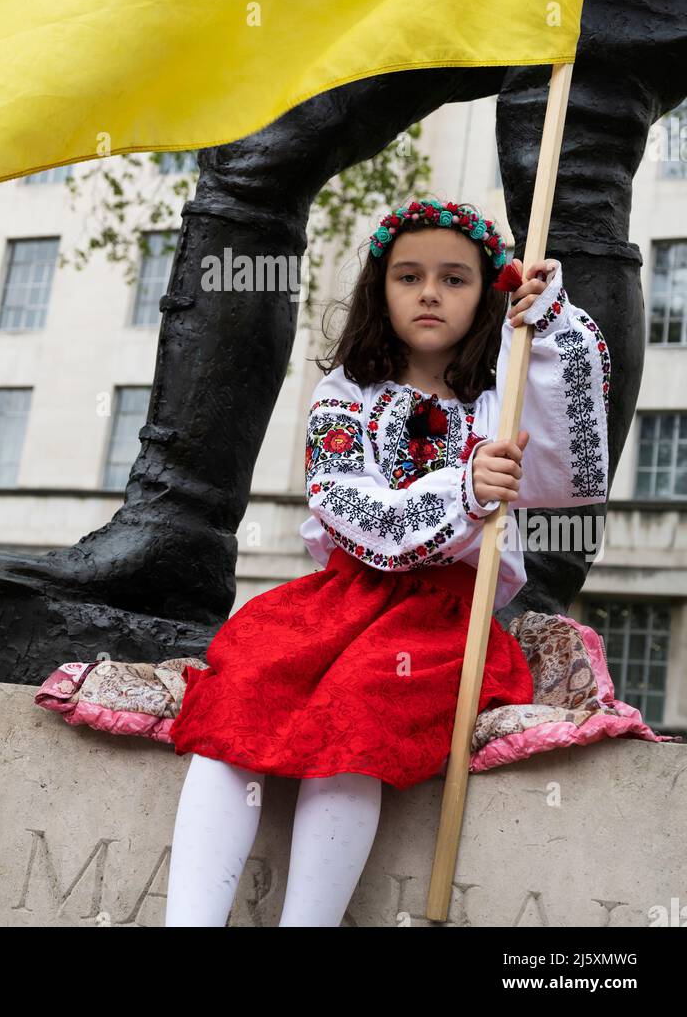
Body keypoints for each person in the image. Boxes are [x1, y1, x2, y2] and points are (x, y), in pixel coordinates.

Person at [164, 194, 612, 927]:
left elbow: (572, 463)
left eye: (455, 278)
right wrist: (461, 490)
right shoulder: (345, 395)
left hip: (444, 622)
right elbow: (347, 506)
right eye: (409, 276)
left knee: (360, 709)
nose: (430, 292)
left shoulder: (504, 398)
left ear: (487, 293)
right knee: (240, 690)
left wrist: (551, 320)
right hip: (339, 597)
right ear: (381, 290)